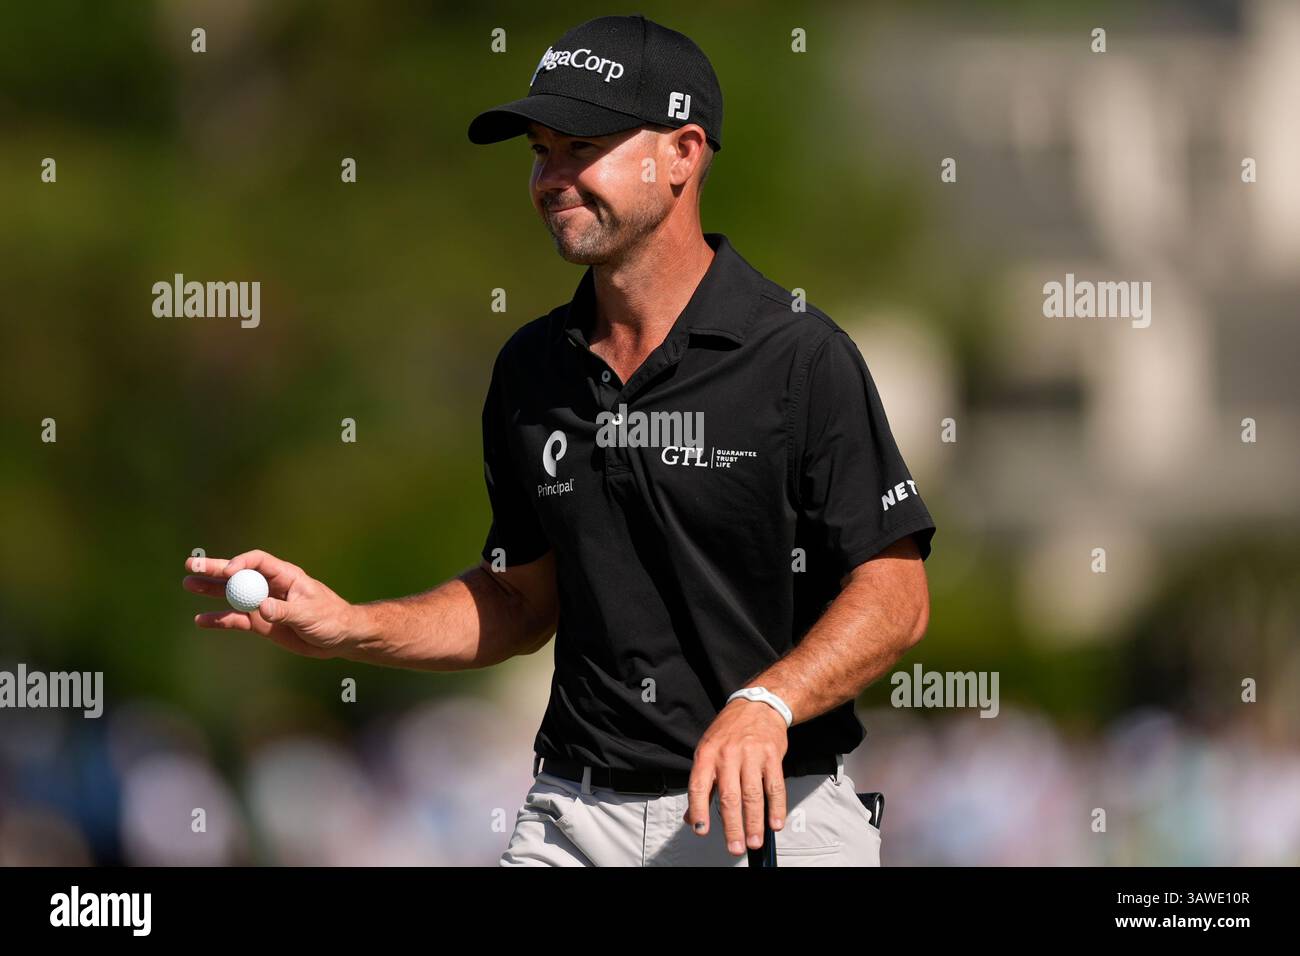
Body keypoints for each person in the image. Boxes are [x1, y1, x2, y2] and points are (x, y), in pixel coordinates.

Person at [183, 14, 935, 866]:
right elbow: (518, 602)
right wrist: (349, 625)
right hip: (574, 816)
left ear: (683, 153)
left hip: (769, 812)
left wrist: (769, 702)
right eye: (541, 150)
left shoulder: (799, 358)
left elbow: (896, 596)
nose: (550, 177)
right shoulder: (530, 370)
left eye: (582, 145)